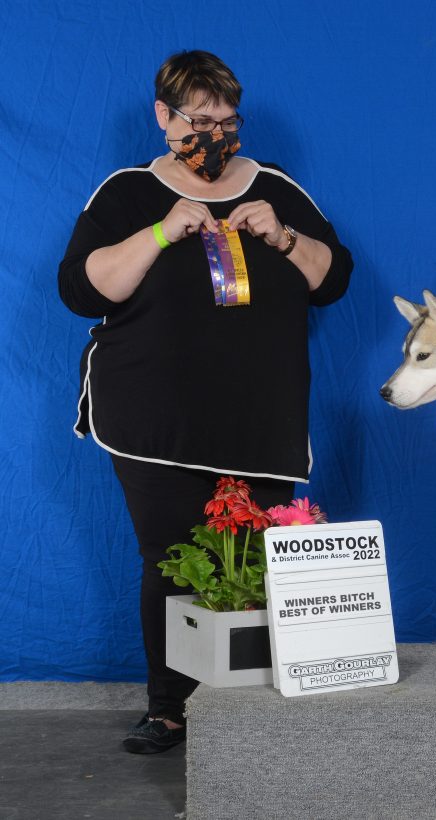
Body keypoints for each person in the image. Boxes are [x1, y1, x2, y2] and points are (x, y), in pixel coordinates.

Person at [58, 51, 353, 753]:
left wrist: (279, 234)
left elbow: (334, 277)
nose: (214, 135)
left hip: (261, 412)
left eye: (227, 121)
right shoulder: (126, 192)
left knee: (255, 555)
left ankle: (249, 706)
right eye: (199, 121)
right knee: (171, 559)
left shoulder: (276, 187)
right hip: (153, 418)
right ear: (164, 118)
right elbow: (80, 288)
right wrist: (162, 231)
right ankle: (170, 709)